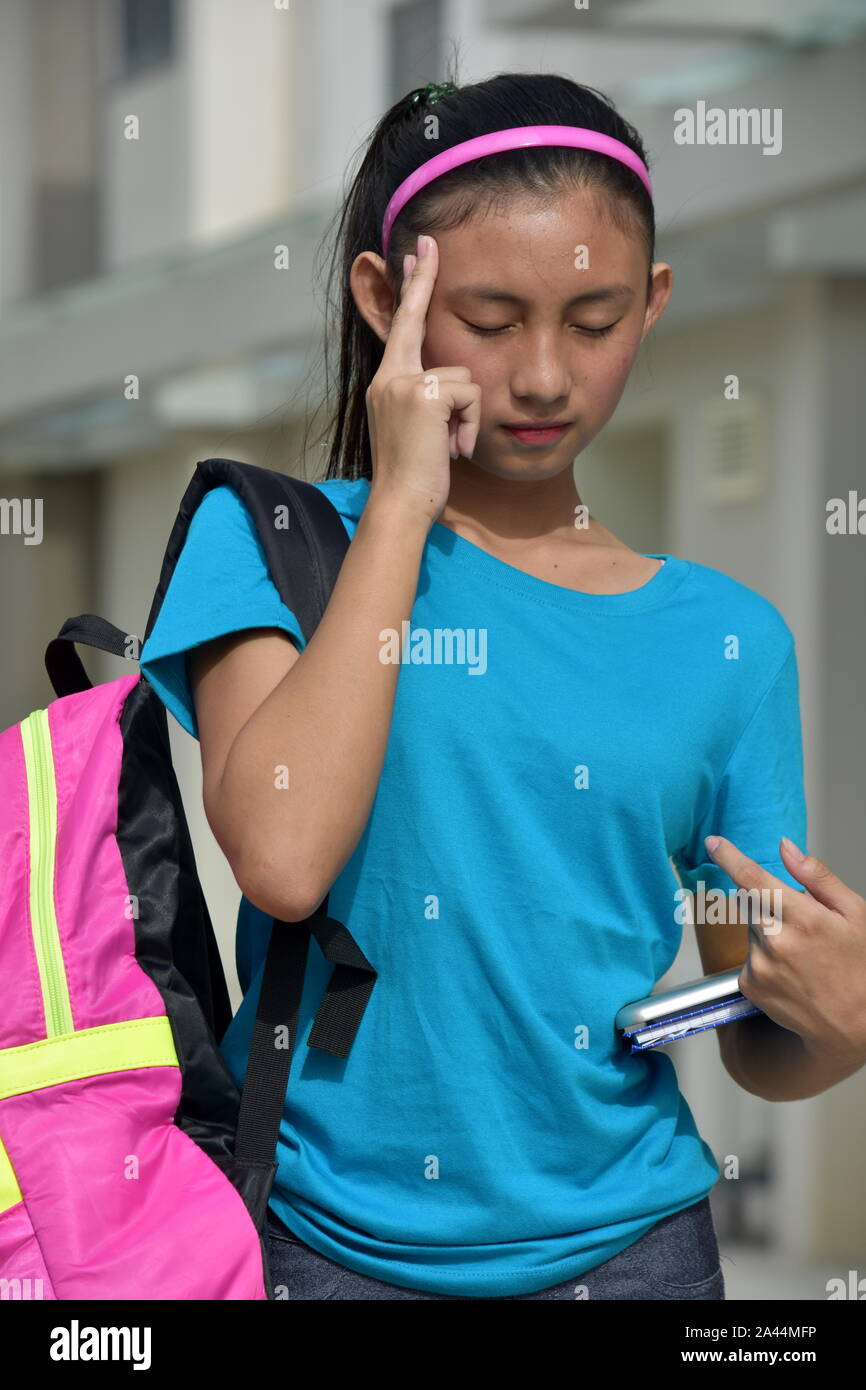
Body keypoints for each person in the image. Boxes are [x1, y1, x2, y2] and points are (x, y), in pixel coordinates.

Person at [138, 72, 865, 1301]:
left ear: (653, 303)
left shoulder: (728, 641)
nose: (541, 375)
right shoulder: (264, 541)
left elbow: (752, 1031)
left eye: (594, 320)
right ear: (387, 299)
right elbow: (282, 854)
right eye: (489, 315)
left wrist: (835, 1023)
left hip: (639, 1257)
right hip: (329, 1256)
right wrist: (405, 504)